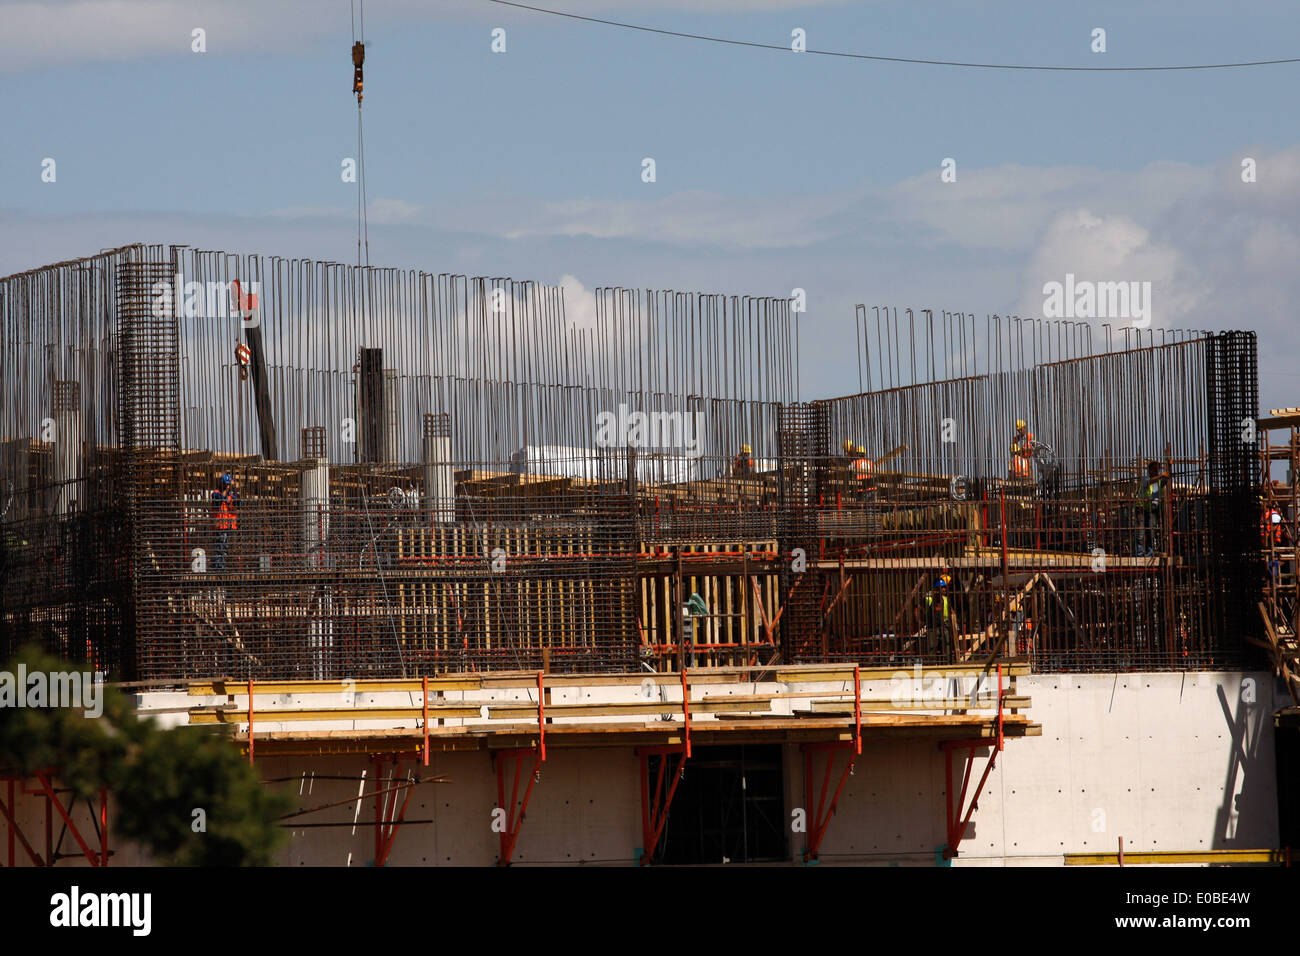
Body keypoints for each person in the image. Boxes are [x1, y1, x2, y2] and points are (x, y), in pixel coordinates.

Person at [1135, 461, 1169, 557]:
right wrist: (1161, 475)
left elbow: (1165, 480)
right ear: (1149, 470)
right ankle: (1139, 553)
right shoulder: (1146, 479)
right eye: (1154, 469)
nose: (1157, 471)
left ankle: (1149, 553)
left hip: (1152, 509)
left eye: (1158, 469)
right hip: (1141, 508)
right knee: (1140, 533)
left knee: (1151, 531)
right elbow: (1150, 482)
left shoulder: (1159, 481)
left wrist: (1168, 472)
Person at [211, 472, 239, 571]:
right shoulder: (216, 493)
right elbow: (219, 499)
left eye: (228, 484)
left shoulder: (231, 495)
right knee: (220, 547)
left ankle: (220, 566)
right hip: (220, 526)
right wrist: (226, 497)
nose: (227, 486)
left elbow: (239, 502)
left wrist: (234, 498)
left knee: (224, 547)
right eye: (225, 484)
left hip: (228, 526)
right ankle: (218, 568)